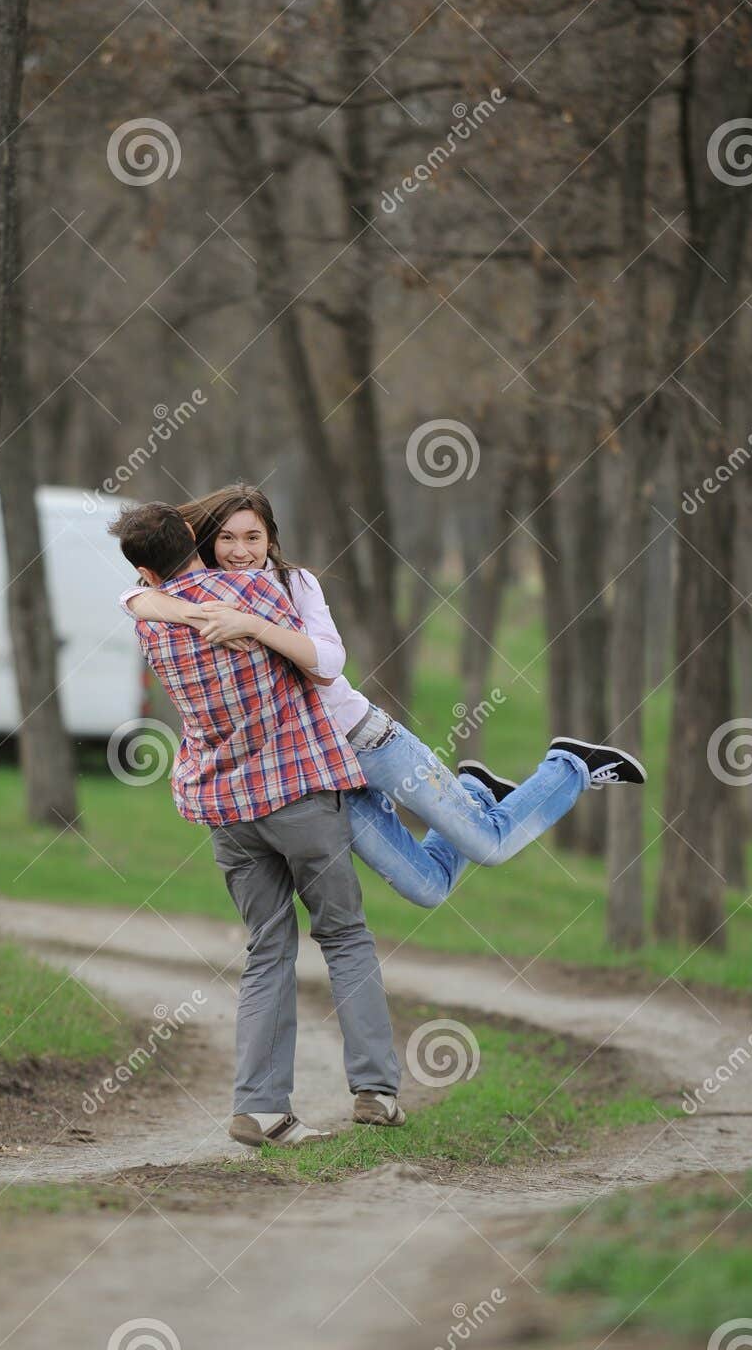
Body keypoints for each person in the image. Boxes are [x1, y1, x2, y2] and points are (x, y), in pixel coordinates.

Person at [121, 484, 646, 909]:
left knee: (489, 846)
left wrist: (253, 625)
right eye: (228, 539)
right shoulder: (199, 593)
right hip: (316, 781)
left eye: (254, 537)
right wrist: (193, 612)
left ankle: (568, 765)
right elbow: (131, 596)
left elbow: (328, 666)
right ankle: (477, 788)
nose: (241, 551)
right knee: (428, 889)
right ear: (206, 543)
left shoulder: (292, 584)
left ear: (271, 539)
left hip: (367, 743)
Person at [111, 501, 406, 1149]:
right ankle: (376, 1093)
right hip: (297, 791)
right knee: (344, 934)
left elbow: (137, 596)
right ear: (195, 536)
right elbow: (321, 660)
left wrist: (163, 597)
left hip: (226, 808)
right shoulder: (255, 590)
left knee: (267, 947)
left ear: (143, 567)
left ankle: (260, 1108)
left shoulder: (151, 622)